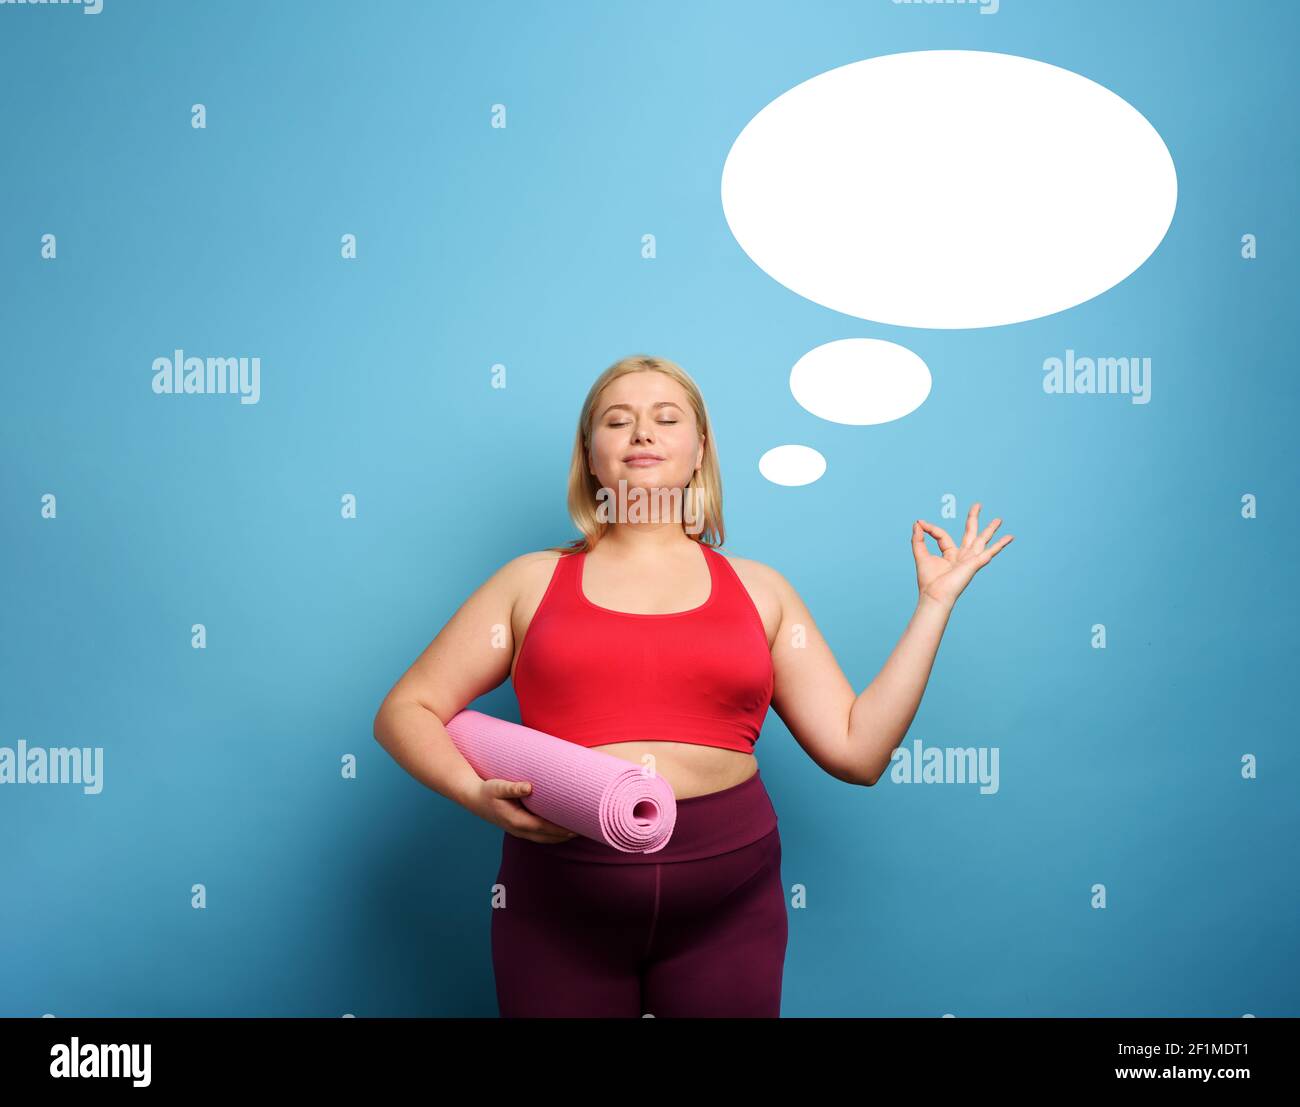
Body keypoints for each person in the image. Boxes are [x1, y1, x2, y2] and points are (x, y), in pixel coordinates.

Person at [372, 353, 1014, 1017]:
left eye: (666, 418)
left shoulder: (761, 591)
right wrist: (473, 792)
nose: (642, 433)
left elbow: (859, 750)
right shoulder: (528, 581)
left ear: (700, 448)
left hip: (730, 908)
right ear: (591, 456)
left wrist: (934, 605)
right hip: (557, 903)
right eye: (617, 421)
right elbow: (405, 709)